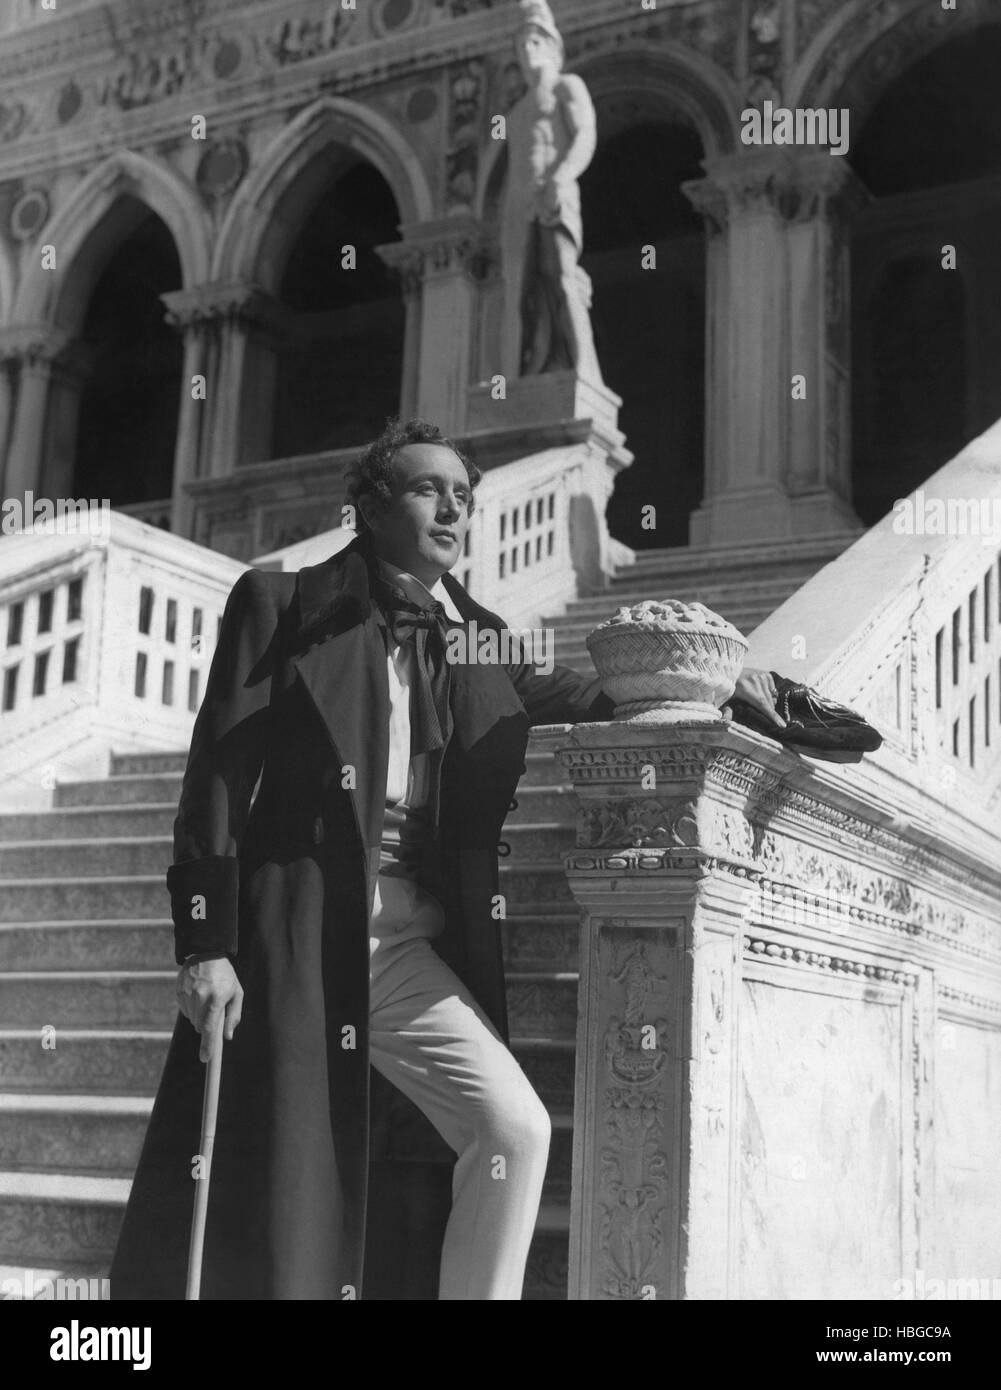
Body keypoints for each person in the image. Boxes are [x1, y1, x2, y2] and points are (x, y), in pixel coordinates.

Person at [110, 417, 783, 1301]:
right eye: (430, 489)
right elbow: (219, 775)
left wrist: (717, 681)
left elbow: (576, 692)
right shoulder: (278, 604)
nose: (454, 508)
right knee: (287, 1188)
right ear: (369, 507)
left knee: (512, 1130)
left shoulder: (471, 632)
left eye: (464, 495)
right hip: (298, 932)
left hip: (405, 944)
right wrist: (204, 943)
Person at [500, 0, 603, 381]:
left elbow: (585, 135)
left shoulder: (566, 86)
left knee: (561, 276)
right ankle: (524, 374)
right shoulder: (516, 112)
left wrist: (562, 177)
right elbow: (514, 168)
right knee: (521, 294)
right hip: (519, 204)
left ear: (551, 46)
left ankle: (584, 371)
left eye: (535, 42)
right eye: (522, 45)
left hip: (555, 192)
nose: (527, 51)